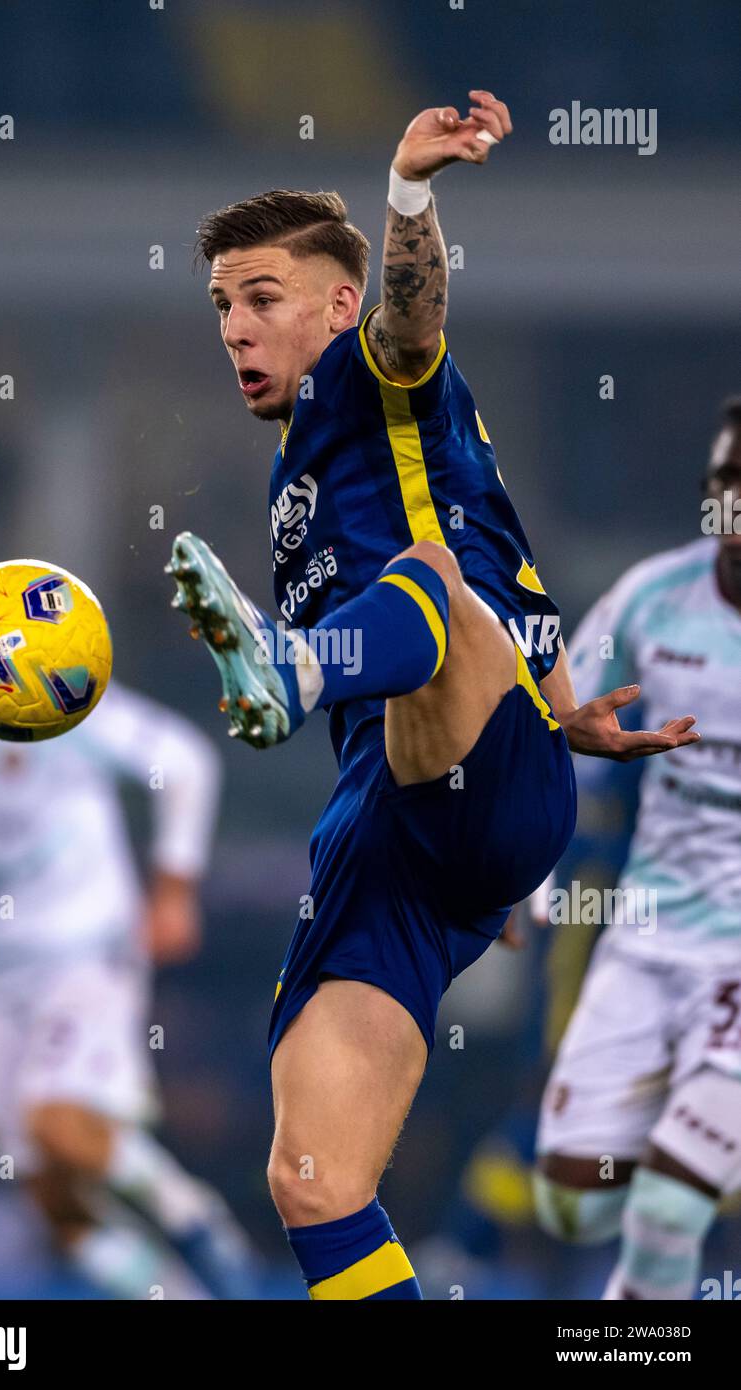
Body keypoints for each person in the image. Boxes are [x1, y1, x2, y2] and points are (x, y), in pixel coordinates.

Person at [170, 95, 697, 1300]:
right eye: (220, 306)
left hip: (463, 761)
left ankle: (287, 670)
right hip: (397, 829)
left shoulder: (378, 376)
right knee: (312, 1180)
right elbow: (517, 568)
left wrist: (407, 194)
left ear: (335, 306)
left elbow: (412, 323)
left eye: (259, 297)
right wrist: (568, 706)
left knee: (428, 579)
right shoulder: (307, 468)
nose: (234, 327)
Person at [0, 518, 256, 1299]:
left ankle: (195, 1217)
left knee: (60, 1126)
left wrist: (174, 887)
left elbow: (180, 761)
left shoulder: (40, 688)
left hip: (84, 945)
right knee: (47, 1192)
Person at [535, 399, 741, 1300]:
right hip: (649, 938)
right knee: (575, 1207)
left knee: (664, 1207)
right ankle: (698, 1130)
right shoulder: (653, 597)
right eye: (728, 481)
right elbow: (560, 737)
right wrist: (527, 871)